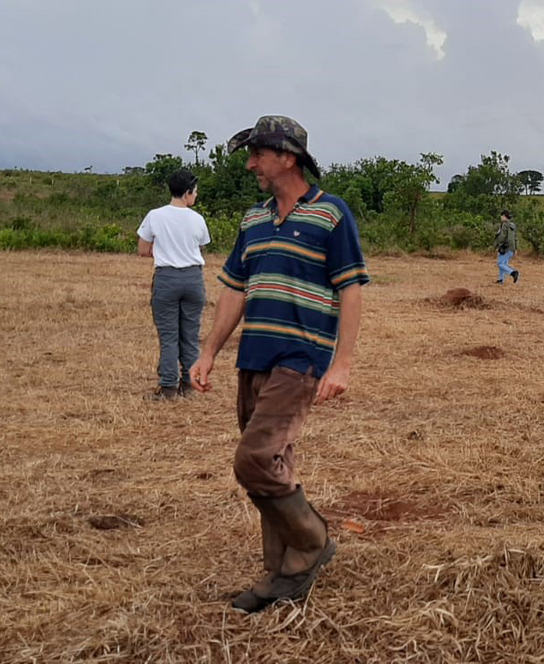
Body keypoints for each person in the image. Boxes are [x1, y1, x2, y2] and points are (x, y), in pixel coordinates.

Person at [189, 116, 369, 613]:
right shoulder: (253, 219)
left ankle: (312, 541)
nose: (250, 165)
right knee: (271, 462)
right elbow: (234, 289)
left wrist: (342, 363)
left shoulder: (331, 214)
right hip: (255, 357)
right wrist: (208, 351)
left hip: (301, 356)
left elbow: (350, 287)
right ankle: (283, 572)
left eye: (258, 155)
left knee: (253, 458)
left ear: (287, 157)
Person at [137, 168, 210, 400]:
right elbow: (201, 247)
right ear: (187, 192)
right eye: (195, 192)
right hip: (193, 280)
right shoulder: (197, 219)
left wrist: (163, 253)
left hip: (167, 279)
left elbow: (143, 250)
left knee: (169, 336)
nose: (195, 196)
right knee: (190, 335)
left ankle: (168, 388)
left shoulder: (155, 216)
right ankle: (189, 385)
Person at [495, 210, 519, 284]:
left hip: (505, 247)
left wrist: (498, 245)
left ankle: (513, 272)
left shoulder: (504, 224)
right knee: (504, 264)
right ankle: (501, 279)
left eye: (501, 216)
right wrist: (516, 248)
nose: (501, 218)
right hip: (511, 248)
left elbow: (502, 236)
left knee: (500, 264)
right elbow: (515, 237)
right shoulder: (513, 225)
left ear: (504, 216)